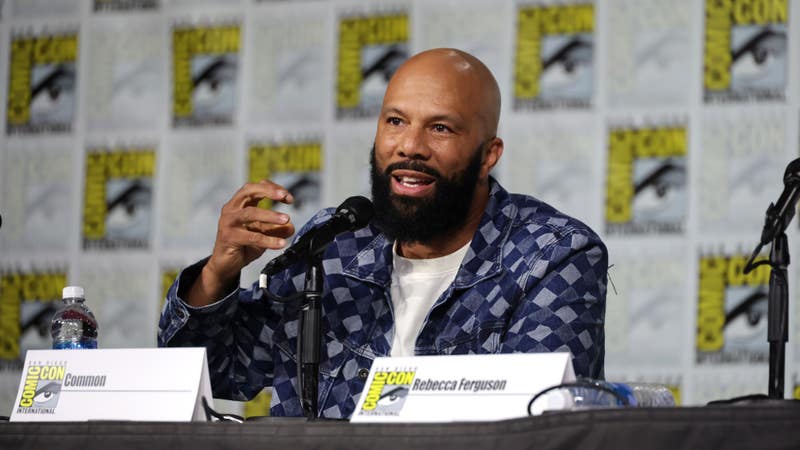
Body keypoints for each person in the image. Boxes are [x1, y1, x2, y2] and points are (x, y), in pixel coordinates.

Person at [158, 48, 608, 419]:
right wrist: (216, 274)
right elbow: (218, 377)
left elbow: (539, 424)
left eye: (440, 128)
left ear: (488, 155)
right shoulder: (334, 246)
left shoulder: (552, 256)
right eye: (395, 121)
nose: (409, 146)